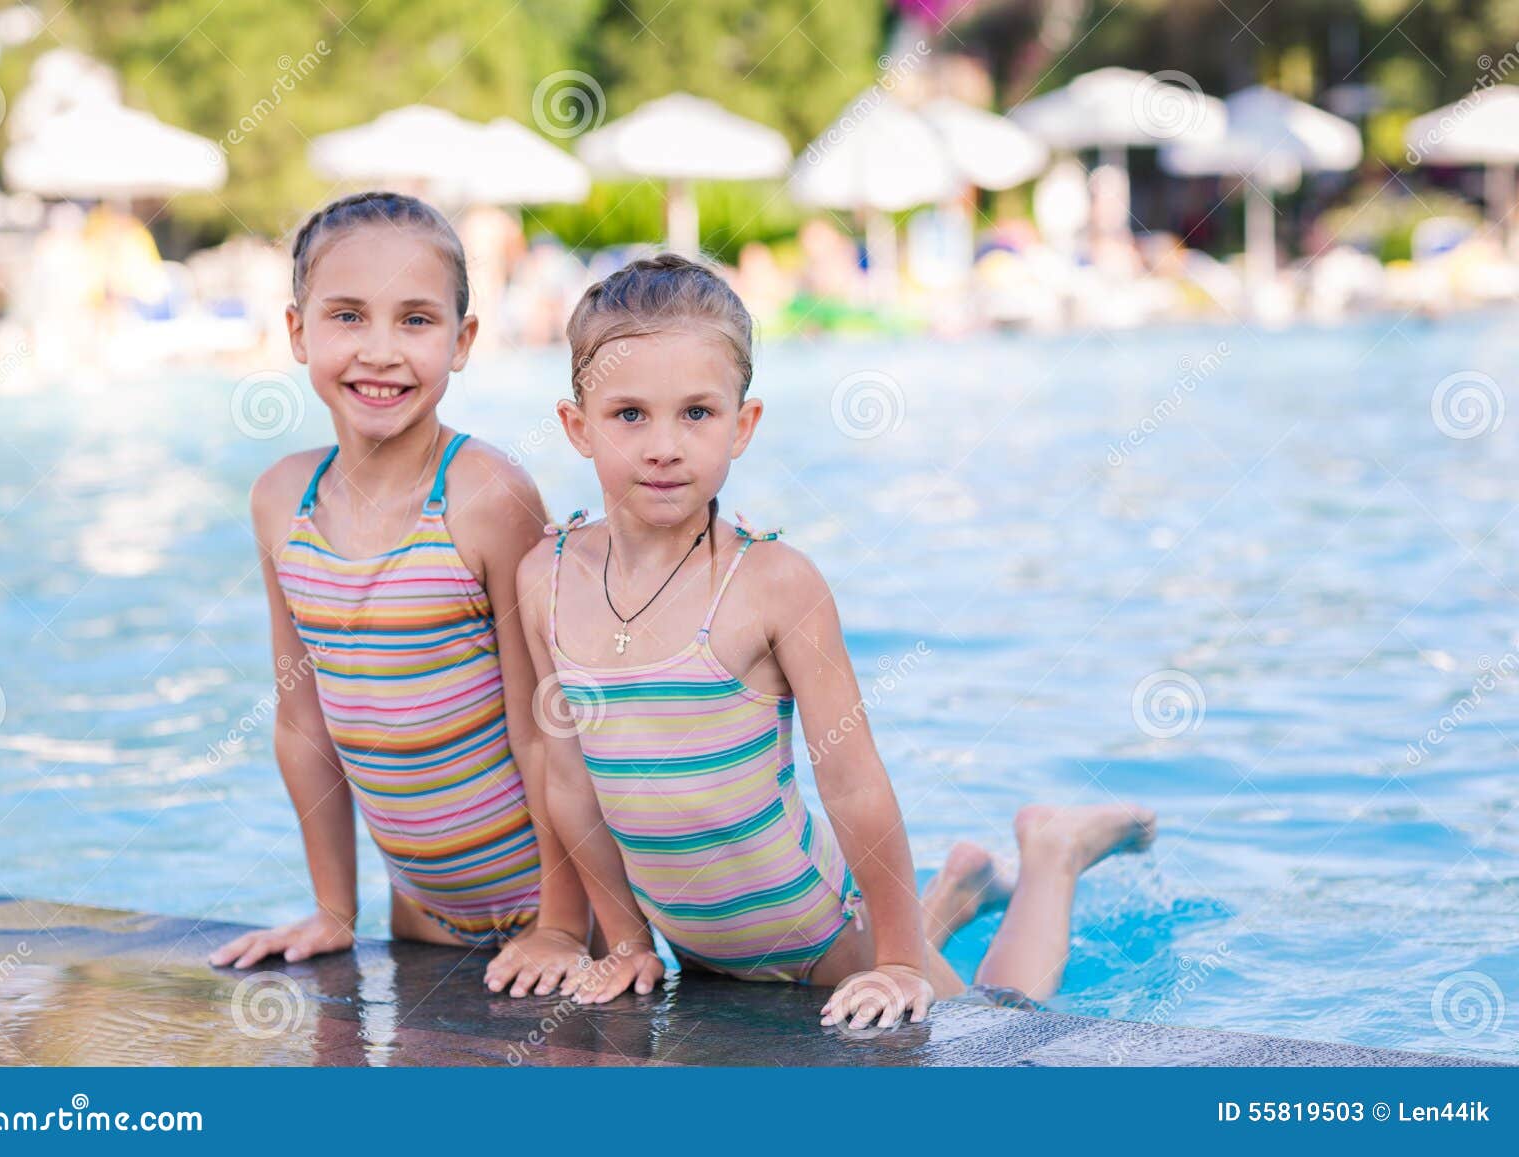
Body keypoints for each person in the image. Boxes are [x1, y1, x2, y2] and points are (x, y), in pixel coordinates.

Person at [515, 253, 1157, 1029]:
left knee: (1006, 1018)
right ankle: (957, 886)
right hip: (700, 947)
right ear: (576, 426)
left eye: (697, 413)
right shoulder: (544, 580)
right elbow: (567, 778)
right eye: (629, 415)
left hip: (821, 930)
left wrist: (893, 960)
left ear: (742, 425)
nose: (663, 445)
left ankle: (1052, 851)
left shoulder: (773, 583)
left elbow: (851, 780)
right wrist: (625, 939)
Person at [208, 192, 593, 999]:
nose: (380, 351)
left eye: (415, 320)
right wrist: (332, 912)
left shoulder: (486, 496)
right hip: (418, 914)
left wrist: (558, 922)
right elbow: (302, 719)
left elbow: (549, 731)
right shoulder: (281, 501)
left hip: (559, 908)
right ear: (296, 331)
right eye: (348, 316)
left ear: (463, 341)